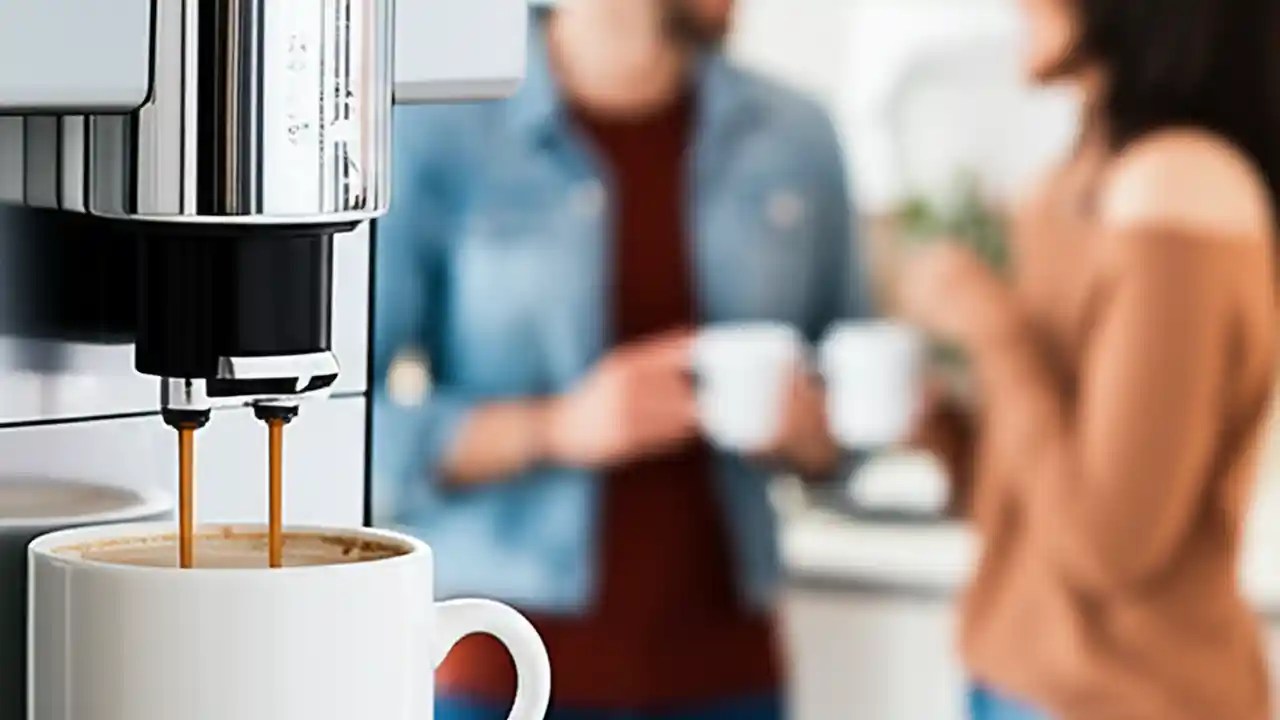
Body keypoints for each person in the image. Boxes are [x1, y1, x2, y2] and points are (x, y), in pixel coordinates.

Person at [373, 1, 863, 718]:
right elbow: (344, 428)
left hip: (728, 669)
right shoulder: (438, 128)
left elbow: (849, 400)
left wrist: (814, 430)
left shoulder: (795, 135)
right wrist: (557, 428)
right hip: (504, 660)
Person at [902, 0, 1280, 718]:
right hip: (1017, 678)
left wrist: (992, 327)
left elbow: (1111, 545)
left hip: (1127, 695)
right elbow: (1040, 495)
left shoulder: (1177, 186)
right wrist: (947, 437)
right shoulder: (1075, 182)